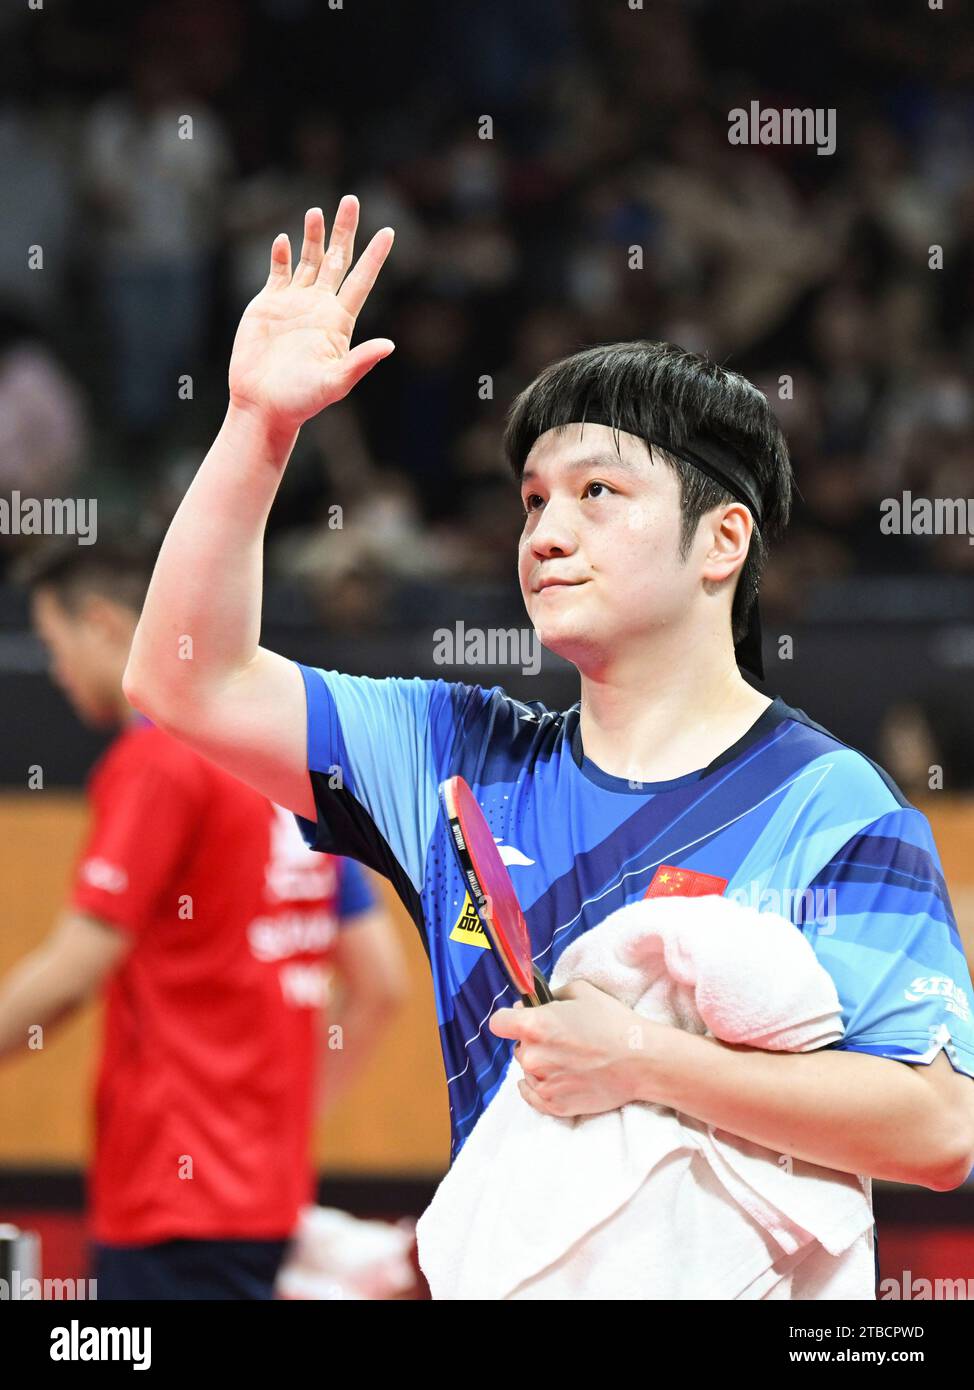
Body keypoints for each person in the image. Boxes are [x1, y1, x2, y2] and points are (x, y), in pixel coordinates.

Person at [124, 197, 974, 1294]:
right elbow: (185, 679)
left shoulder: (832, 804)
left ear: (721, 540)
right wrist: (257, 427)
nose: (544, 535)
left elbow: (935, 1127)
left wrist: (644, 1061)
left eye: (595, 493)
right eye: (531, 502)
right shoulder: (453, 757)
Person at [0, 539, 406, 1299]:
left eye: (54, 644)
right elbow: (380, 985)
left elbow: (71, 973)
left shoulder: (158, 761)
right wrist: (276, 1139)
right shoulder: (292, 765)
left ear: (101, 623)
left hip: (168, 1201)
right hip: (266, 1201)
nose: (55, 671)